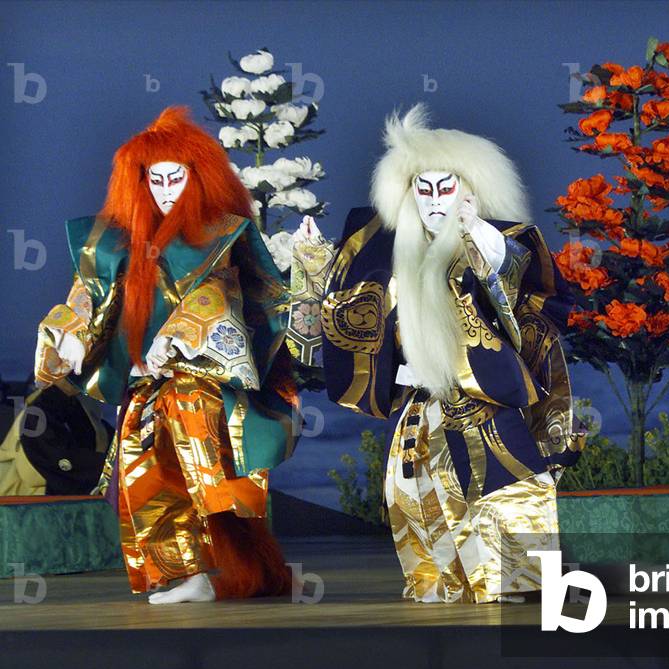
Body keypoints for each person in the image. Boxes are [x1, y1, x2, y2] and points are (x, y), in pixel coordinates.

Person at [291, 105, 583, 603]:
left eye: (444, 186)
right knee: (418, 503)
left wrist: (478, 236)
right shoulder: (386, 254)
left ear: (469, 188)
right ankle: (448, 585)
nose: (432, 199)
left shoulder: (498, 239)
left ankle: (515, 583)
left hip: (482, 399)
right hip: (419, 406)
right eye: (421, 188)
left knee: (501, 490)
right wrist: (319, 266)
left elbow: (515, 283)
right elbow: (351, 315)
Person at [34, 107, 298, 603]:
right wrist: (68, 335)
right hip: (144, 381)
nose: (165, 189)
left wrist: (176, 338)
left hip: (204, 382)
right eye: (154, 179)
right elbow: (86, 294)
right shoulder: (116, 244)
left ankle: (236, 562)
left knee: (205, 466)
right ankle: (189, 574)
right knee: (142, 471)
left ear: (197, 176)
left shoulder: (220, 235)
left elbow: (221, 296)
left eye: (175, 177)